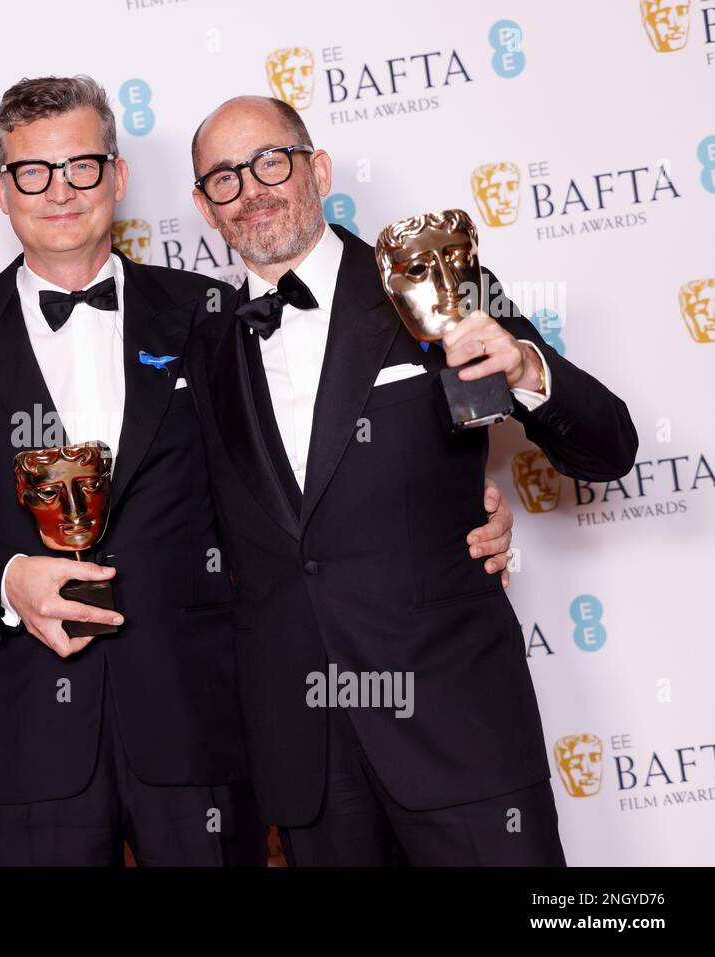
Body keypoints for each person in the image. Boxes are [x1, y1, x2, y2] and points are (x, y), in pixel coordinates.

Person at [0, 76, 513, 866]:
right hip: (33, 737)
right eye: (32, 173)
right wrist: (5, 578)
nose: (60, 191)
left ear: (117, 176)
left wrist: (458, 499)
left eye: (81, 165)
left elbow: (297, 467)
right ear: (1, 192)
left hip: (202, 724)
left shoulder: (212, 313)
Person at [185, 95, 638, 865]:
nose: (250, 189)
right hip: (309, 763)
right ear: (203, 206)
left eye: (270, 161)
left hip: (458, 729)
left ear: (316, 168)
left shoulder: (438, 286)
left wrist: (529, 368)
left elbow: (608, 447)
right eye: (223, 178)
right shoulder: (206, 348)